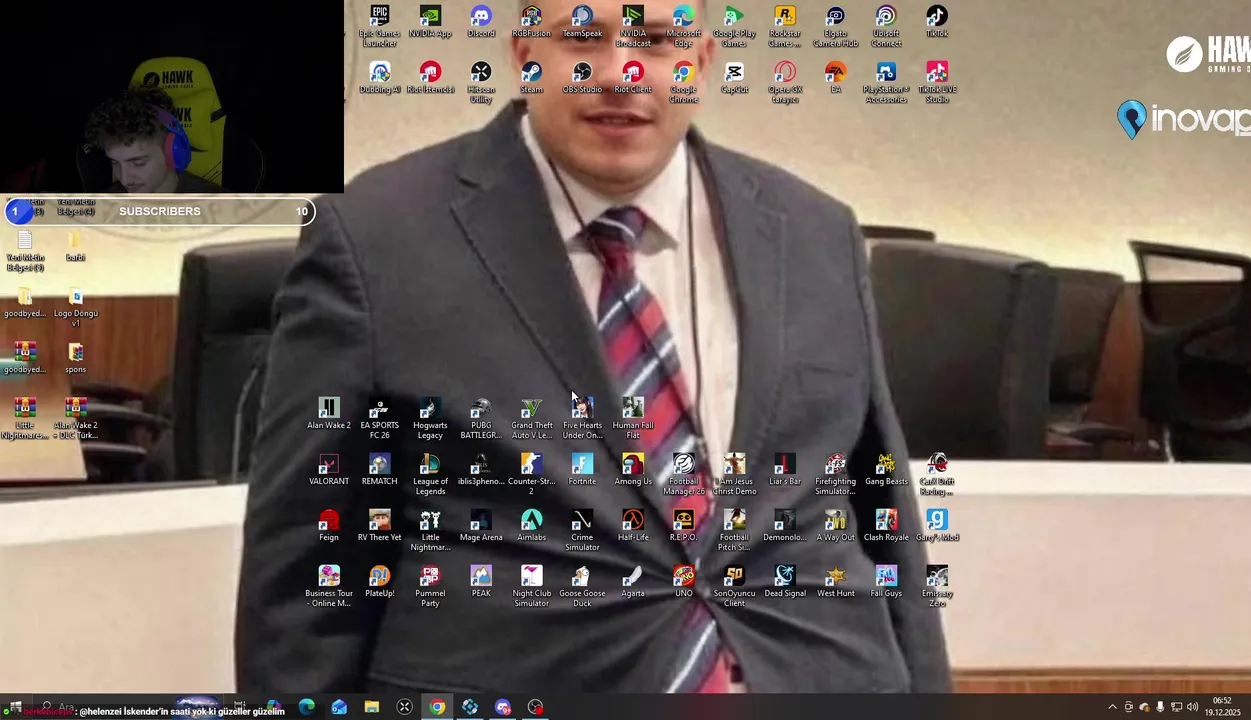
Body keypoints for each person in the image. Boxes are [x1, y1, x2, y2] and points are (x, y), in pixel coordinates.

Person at [236, 0, 950, 695]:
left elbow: (882, 513)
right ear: (525, 55)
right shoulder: (376, 238)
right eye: (582, 39)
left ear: (703, 62)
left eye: (659, 41)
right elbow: (305, 566)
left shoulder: (817, 232)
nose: (620, 73)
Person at [83, 84, 225, 193]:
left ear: (173, 153)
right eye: (115, 162)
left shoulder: (224, 210)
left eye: (138, 163)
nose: (125, 180)